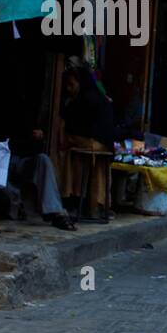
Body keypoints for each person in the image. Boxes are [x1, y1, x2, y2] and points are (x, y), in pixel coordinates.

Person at [59, 60, 115, 223]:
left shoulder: (83, 99)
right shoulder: (97, 95)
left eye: (71, 84)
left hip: (93, 142)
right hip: (105, 145)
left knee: (64, 149)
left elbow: (72, 125)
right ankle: (93, 205)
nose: (69, 89)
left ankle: (68, 194)